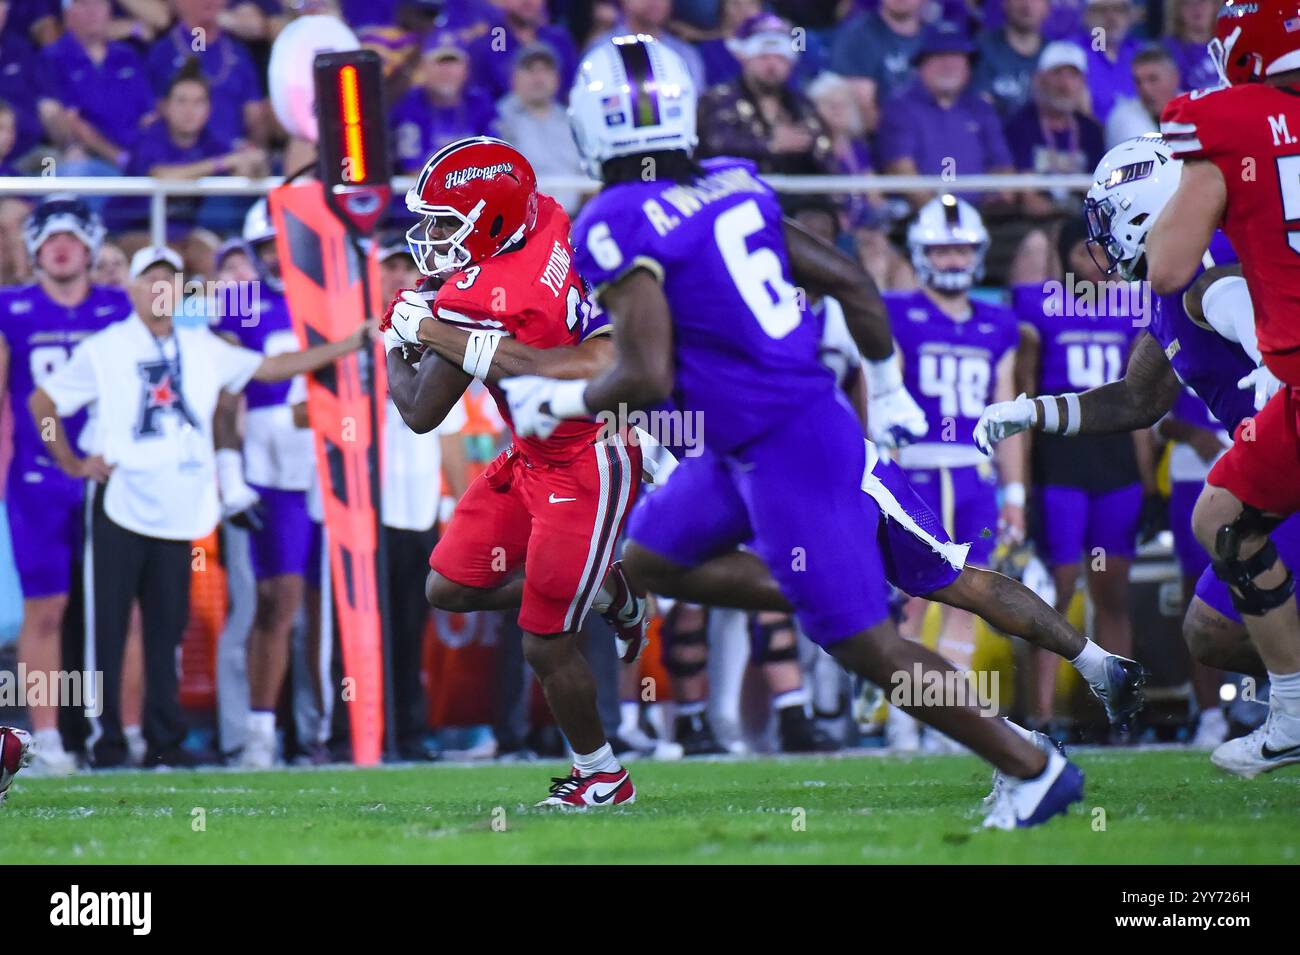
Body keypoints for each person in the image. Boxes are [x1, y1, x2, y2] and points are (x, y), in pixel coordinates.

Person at [505, 35, 1091, 829]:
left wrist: (555, 401)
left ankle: (1033, 767)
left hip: (787, 441)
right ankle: (829, 577)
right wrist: (884, 386)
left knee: (863, 646)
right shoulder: (731, 183)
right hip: (741, 444)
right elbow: (849, 276)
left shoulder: (614, 217)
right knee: (647, 558)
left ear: (588, 124)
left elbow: (641, 373)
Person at [977, 135, 1293, 755]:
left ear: (1145, 206)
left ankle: (1293, 713)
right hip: (1276, 466)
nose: (1100, 239)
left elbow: (1239, 303)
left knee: (1220, 563)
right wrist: (1032, 410)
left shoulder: (1205, 266)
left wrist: (1270, 357)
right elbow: (1136, 398)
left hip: (1285, 460)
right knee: (1210, 632)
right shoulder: (1171, 284)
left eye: (1108, 217)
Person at [381, 136, 650, 807]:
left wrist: (396, 336)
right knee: (448, 584)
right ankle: (607, 590)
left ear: (491, 218)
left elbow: (419, 410)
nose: (432, 236)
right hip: (533, 450)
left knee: (544, 641)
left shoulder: (485, 294)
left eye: (446, 222)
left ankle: (602, 777)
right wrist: (439, 320)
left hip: (591, 458)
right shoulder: (545, 217)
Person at [28, 245, 368, 768]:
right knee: (108, 627)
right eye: (150, 280)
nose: (160, 290)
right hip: (119, 499)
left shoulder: (202, 345)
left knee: (167, 630)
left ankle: (163, 741)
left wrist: (347, 344)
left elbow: (272, 367)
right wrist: (70, 461)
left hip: (181, 503)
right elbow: (42, 402)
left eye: (171, 281)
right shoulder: (105, 347)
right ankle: (105, 741)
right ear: (133, 290)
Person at [1148, 0, 1300, 777]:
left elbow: (1169, 268)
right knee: (1222, 510)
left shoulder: (1226, 122)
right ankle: (1292, 712)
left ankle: (1292, 707)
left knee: (1224, 519)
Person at [1003, 214, 1154, 735]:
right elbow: (1024, 393)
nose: (1096, 262)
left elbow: (1139, 405)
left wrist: (1148, 477)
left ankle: (1119, 714)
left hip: (1113, 463)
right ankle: (1043, 715)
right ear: (1063, 258)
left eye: (1101, 250)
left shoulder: (1129, 307)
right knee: (1056, 590)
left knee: (1113, 593)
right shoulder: (1041, 308)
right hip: (1061, 462)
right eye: (1082, 251)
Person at [886, 195, 1027, 749]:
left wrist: (1014, 490)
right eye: (941, 249)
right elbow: (886, 404)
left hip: (973, 473)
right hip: (915, 468)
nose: (950, 260)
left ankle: (955, 721)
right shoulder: (898, 313)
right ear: (921, 254)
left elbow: (1006, 415)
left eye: (960, 249)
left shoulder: (998, 323)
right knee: (913, 600)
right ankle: (903, 719)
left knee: (967, 594)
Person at [0, 196, 131, 774]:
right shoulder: (12, 308)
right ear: (31, 247)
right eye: (50, 237)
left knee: (123, 611)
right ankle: (49, 739)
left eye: (73, 238)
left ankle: (127, 733)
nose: (61, 246)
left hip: (113, 475)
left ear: (91, 245)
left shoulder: (120, 306)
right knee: (45, 610)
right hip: (39, 478)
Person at [376, 233, 469, 761]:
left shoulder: (433, 339)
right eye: (387, 269)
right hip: (364, 514)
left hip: (415, 511)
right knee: (364, 630)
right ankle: (359, 730)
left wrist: (457, 506)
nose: (396, 277)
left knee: (411, 630)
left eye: (402, 269)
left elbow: (450, 434)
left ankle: (408, 731)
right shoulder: (352, 341)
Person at [876, 23, 1015, 210]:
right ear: (921, 65)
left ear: (968, 68)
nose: (949, 65)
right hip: (919, 217)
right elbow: (900, 168)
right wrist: (940, 213)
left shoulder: (981, 108)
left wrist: (1001, 196)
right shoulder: (900, 107)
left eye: (957, 57)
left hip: (982, 215)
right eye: (940, 57)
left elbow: (1002, 164)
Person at [696, 13, 833, 176]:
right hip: (735, 193)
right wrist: (770, 144)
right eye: (763, 57)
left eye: (780, 58)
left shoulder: (802, 106)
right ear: (745, 58)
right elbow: (716, 144)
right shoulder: (718, 100)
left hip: (799, 196)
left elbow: (824, 154)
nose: (772, 65)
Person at [36, 0, 155, 180]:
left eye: (100, 4)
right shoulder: (52, 58)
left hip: (139, 158)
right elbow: (67, 120)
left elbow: (148, 114)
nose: (93, 12)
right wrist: (118, 157)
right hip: (93, 159)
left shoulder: (128, 55)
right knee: (77, 172)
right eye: (84, 4)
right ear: (67, 14)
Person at [146, 0, 270, 148]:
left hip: (233, 157)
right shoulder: (162, 53)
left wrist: (255, 152)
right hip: (181, 160)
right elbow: (153, 114)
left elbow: (255, 116)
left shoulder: (238, 53)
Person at [390, 28, 497, 174]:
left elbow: (496, 160)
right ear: (423, 68)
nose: (446, 71)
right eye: (439, 62)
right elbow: (412, 170)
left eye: (453, 62)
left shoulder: (480, 104)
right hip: (426, 193)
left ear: (466, 69)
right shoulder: (410, 107)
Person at [493, 44, 585, 213]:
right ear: (514, 78)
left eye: (545, 70)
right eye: (530, 70)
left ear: (557, 78)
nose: (538, 78)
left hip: (574, 219)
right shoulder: (498, 120)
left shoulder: (573, 120)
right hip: (521, 223)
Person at [974, 0, 1051, 118]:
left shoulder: (1055, 55)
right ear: (1005, 4)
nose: (1027, 5)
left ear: (1047, 8)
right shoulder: (982, 47)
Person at [1104, 45, 1182, 148]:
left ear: (1174, 78)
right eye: (1138, 81)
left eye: (1153, 79)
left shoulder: (1195, 108)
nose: (1145, 88)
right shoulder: (1123, 116)